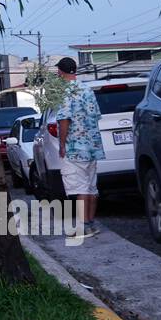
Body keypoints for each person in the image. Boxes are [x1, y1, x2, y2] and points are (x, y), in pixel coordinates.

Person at [54, 56, 105, 239]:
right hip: (92, 146)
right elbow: (95, 116)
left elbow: (64, 120)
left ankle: (83, 227)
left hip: (75, 147)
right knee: (91, 187)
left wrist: (62, 144)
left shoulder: (65, 92)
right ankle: (91, 224)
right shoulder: (87, 89)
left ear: (60, 71)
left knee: (81, 187)